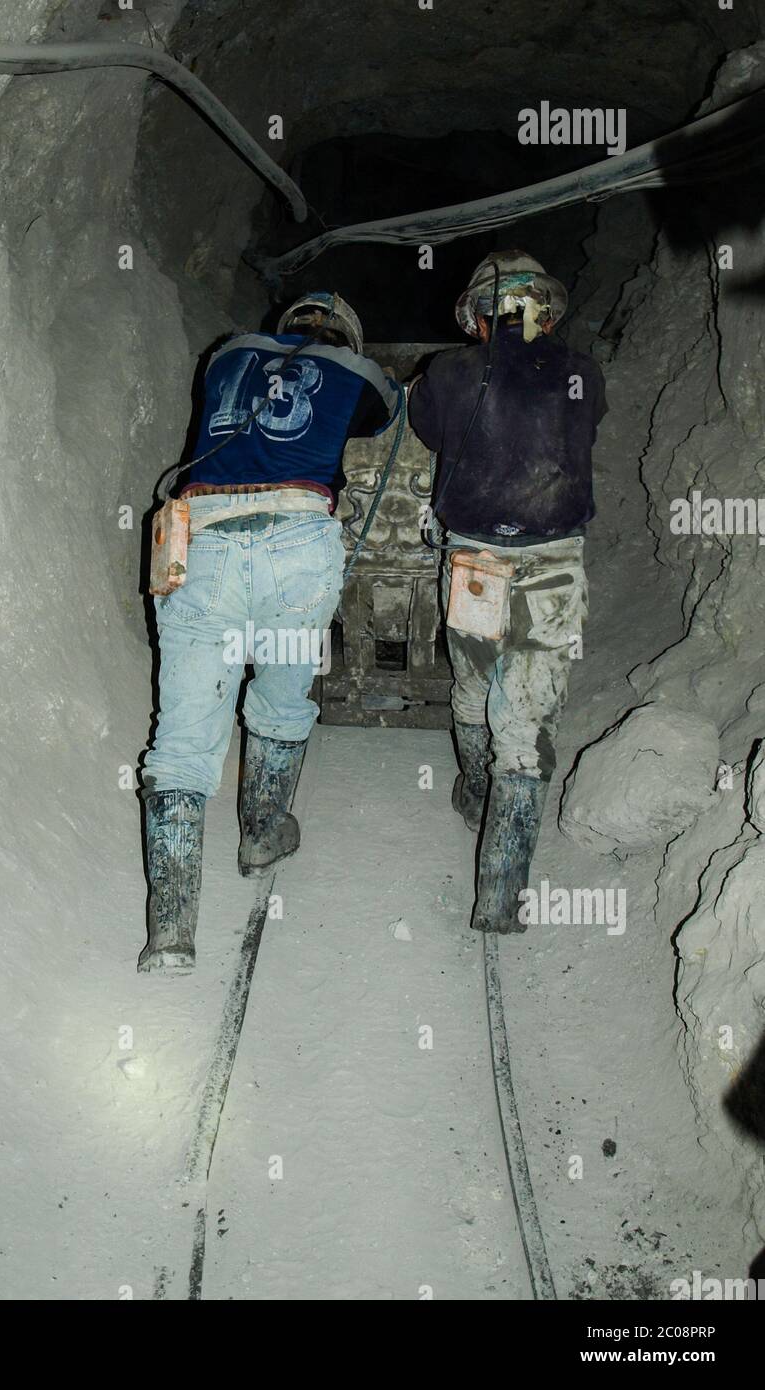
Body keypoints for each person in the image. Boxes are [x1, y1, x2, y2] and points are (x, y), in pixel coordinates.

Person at [139, 292, 400, 972]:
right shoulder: (356, 369)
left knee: (182, 740)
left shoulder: (228, 353)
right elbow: (385, 412)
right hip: (296, 544)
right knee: (281, 701)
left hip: (202, 541)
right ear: (345, 336)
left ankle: (170, 937)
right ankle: (260, 835)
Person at [408, 251, 608, 934]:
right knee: (525, 728)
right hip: (552, 565)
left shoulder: (448, 371)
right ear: (545, 312)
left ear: (477, 318)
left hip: (475, 563)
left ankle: (473, 794)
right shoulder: (582, 372)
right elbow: (583, 426)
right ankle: (500, 898)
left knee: (473, 683)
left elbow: (428, 429)